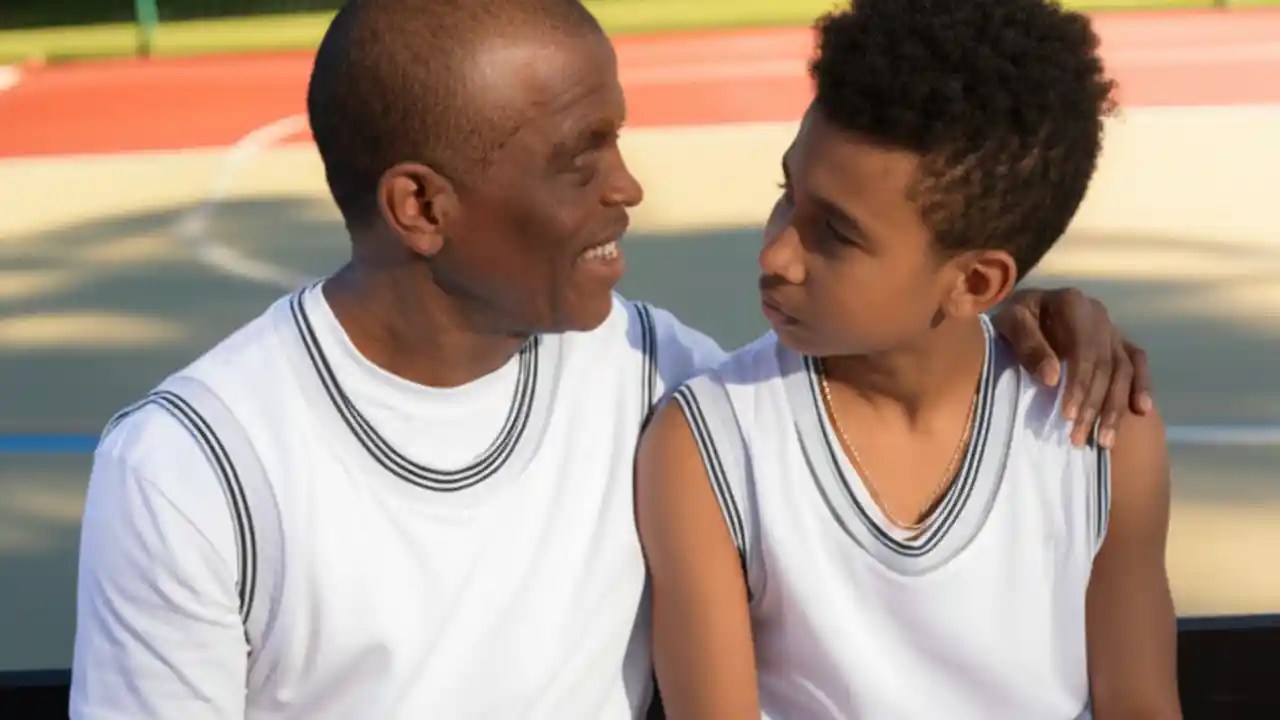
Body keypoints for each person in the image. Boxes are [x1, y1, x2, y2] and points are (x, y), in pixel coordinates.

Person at [70, 1, 1152, 718]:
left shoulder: (648, 374)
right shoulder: (191, 471)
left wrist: (1038, 316)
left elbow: (882, 352)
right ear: (419, 206)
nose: (628, 186)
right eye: (576, 158)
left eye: (617, 138)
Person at [636, 1, 1181, 718]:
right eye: (785, 195)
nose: (775, 255)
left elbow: (1140, 704)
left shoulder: (1103, 439)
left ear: (975, 283)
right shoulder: (706, 446)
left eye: (835, 233)